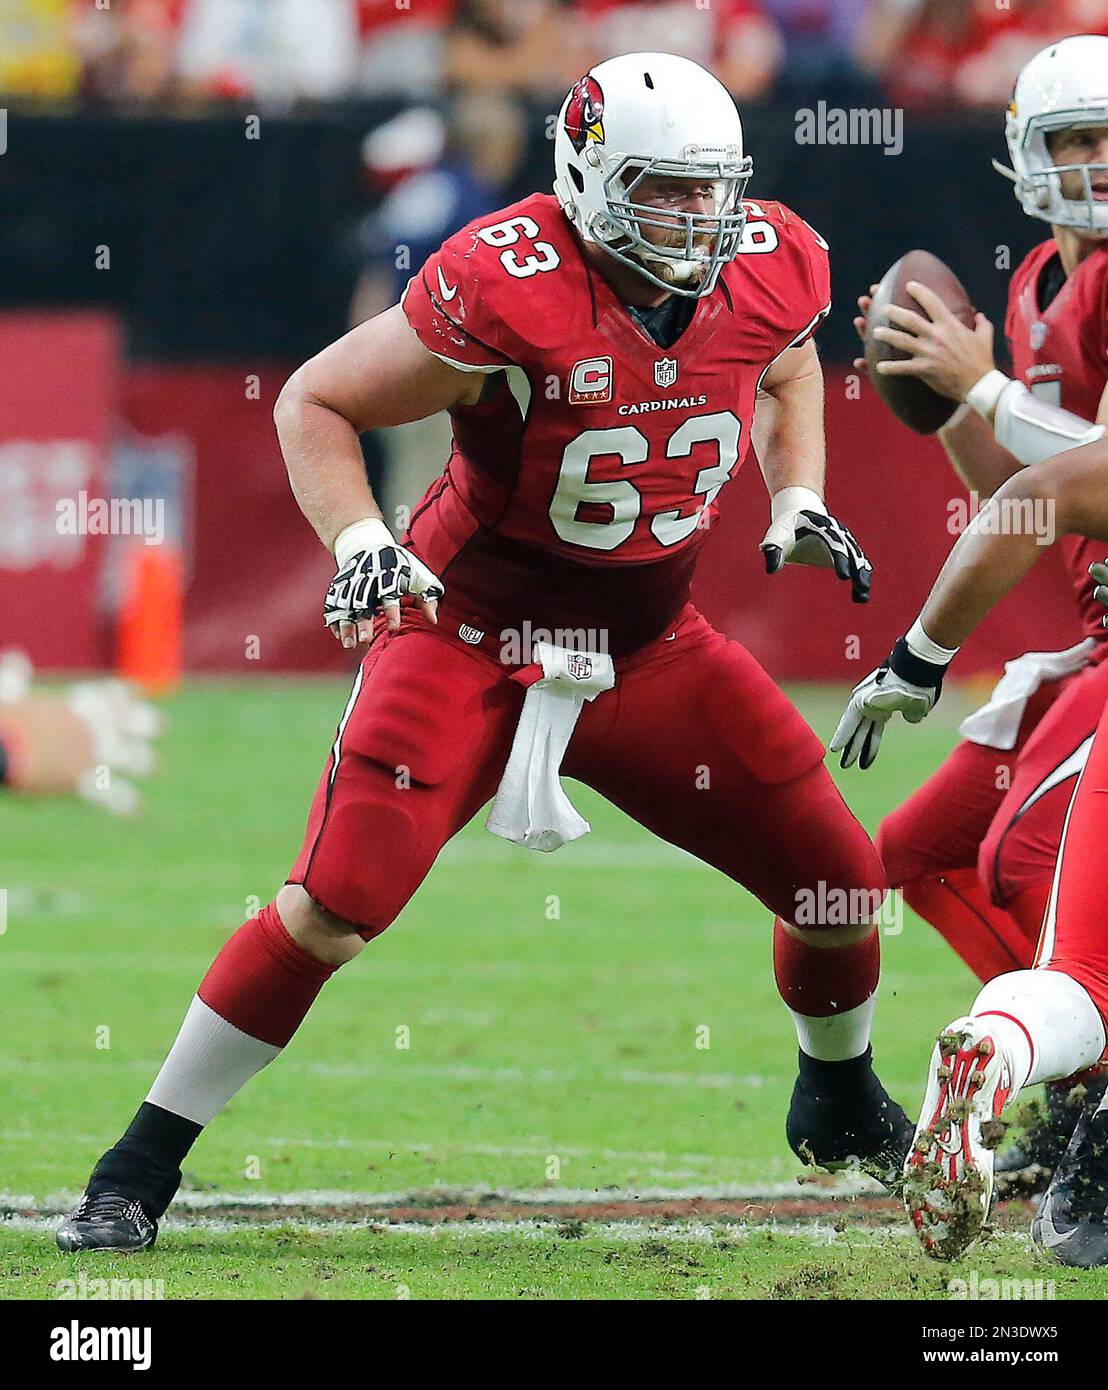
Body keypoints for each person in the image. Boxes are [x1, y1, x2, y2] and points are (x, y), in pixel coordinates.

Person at [56, 51, 909, 1254]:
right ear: (591, 176)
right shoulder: (513, 281)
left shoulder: (771, 260)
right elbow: (314, 399)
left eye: (713, 190)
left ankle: (838, 1092)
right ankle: (138, 1162)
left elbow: (782, 367)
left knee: (840, 886)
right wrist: (360, 539)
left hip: (648, 643)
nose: (699, 219)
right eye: (666, 189)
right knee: (331, 909)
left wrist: (797, 493)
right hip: (466, 635)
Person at [852, 33, 1108, 1181]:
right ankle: (1069, 1092)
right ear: (1025, 151)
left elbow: (1078, 477)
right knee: (913, 855)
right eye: (1075, 140)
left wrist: (986, 388)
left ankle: (1076, 1092)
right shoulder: (1033, 283)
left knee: (1024, 861)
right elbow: (1022, 500)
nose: (1098, 163)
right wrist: (949, 404)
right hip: (1091, 642)